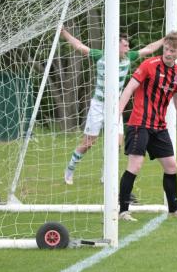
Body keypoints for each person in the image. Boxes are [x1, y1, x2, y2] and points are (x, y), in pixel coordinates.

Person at [60, 27, 163, 185]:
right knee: (88, 143)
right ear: (116, 46)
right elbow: (79, 45)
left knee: (117, 143)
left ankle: (105, 175)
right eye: (125, 45)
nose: (128, 48)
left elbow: (148, 49)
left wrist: (165, 39)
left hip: (116, 107)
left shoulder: (129, 57)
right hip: (98, 106)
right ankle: (70, 169)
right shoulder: (101, 56)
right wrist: (64, 32)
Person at [117, 31, 177, 221]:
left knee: (171, 166)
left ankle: (174, 209)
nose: (169, 53)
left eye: (173, 50)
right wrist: (117, 112)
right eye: (167, 49)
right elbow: (130, 88)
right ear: (164, 47)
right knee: (135, 165)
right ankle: (123, 210)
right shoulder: (149, 65)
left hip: (159, 126)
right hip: (139, 123)